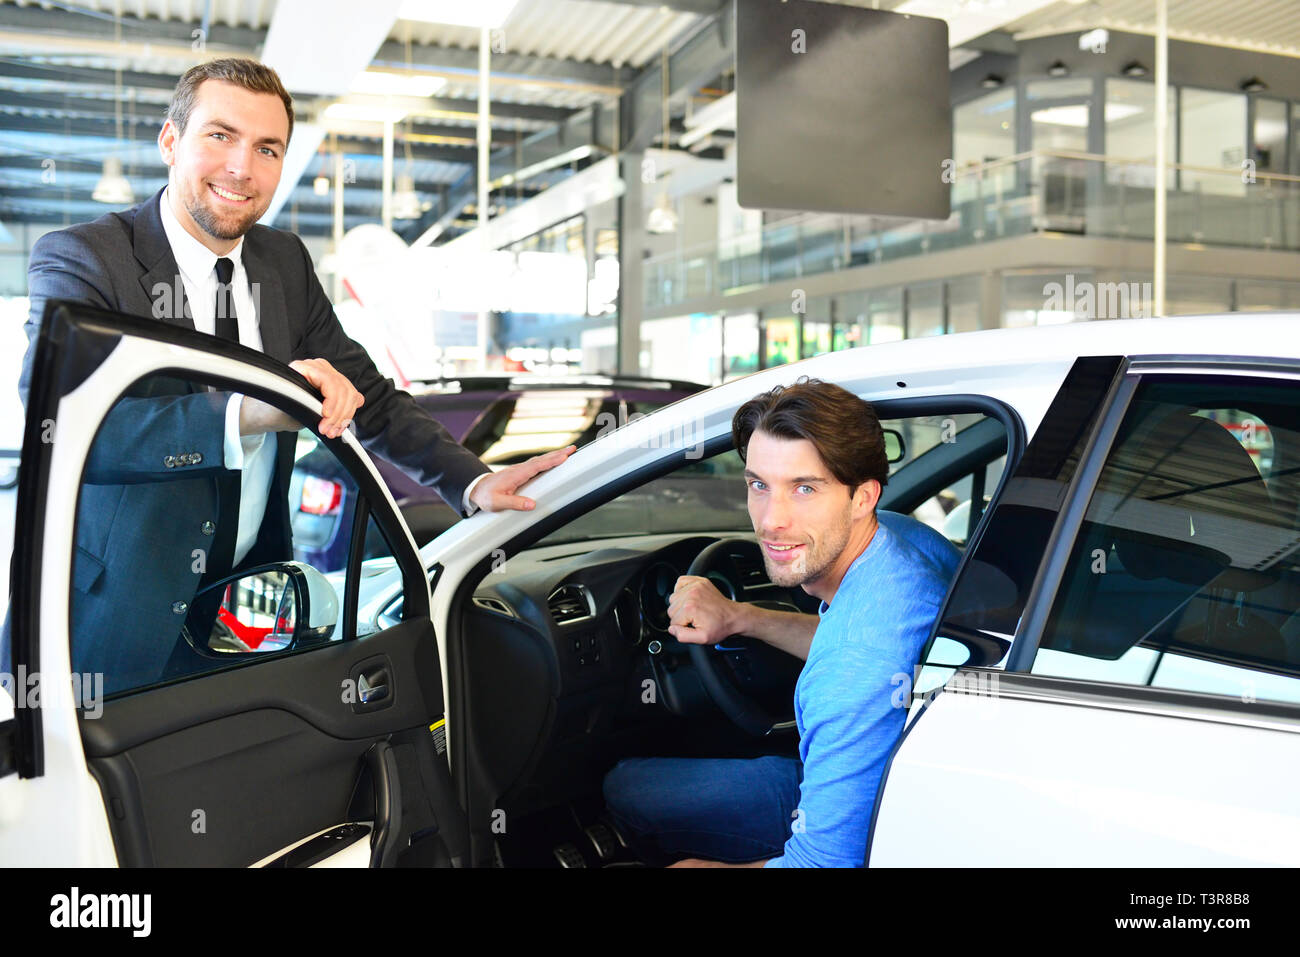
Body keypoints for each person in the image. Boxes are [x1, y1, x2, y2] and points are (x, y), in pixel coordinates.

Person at [5, 57, 573, 693]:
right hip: (110, 618)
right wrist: (243, 415)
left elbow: (371, 398)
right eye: (219, 136)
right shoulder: (86, 257)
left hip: (250, 611)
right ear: (171, 141)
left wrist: (474, 484)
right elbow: (59, 422)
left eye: (267, 148)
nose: (242, 167)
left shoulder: (284, 263)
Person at [602, 378, 960, 867]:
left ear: (862, 497)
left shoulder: (850, 673)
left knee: (625, 791)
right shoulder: (899, 536)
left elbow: (822, 865)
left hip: (881, 824)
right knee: (631, 784)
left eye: (804, 488)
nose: (771, 520)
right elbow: (848, 637)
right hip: (895, 784)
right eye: (758, 485)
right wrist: (739, 617)